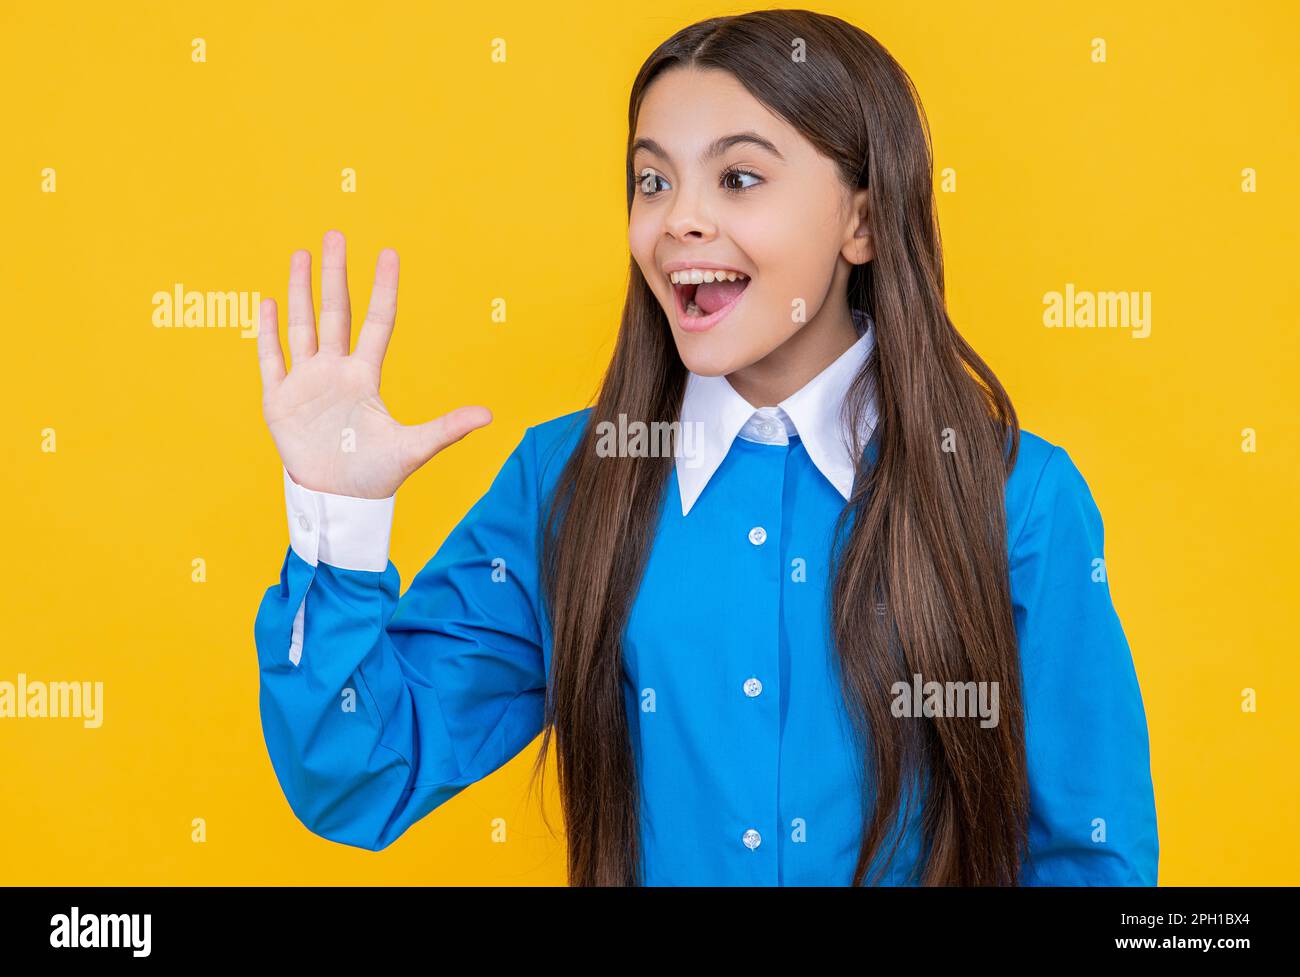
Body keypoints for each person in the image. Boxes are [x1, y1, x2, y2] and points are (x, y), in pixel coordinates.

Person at [253, 9, 1158, 886]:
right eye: (653, 182)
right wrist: (338, 516)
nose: (678, 221)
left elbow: (1092, 855)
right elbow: (361, 774)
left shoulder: (1016, 496)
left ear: (863, 222)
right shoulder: (563, 484)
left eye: (738, 179)